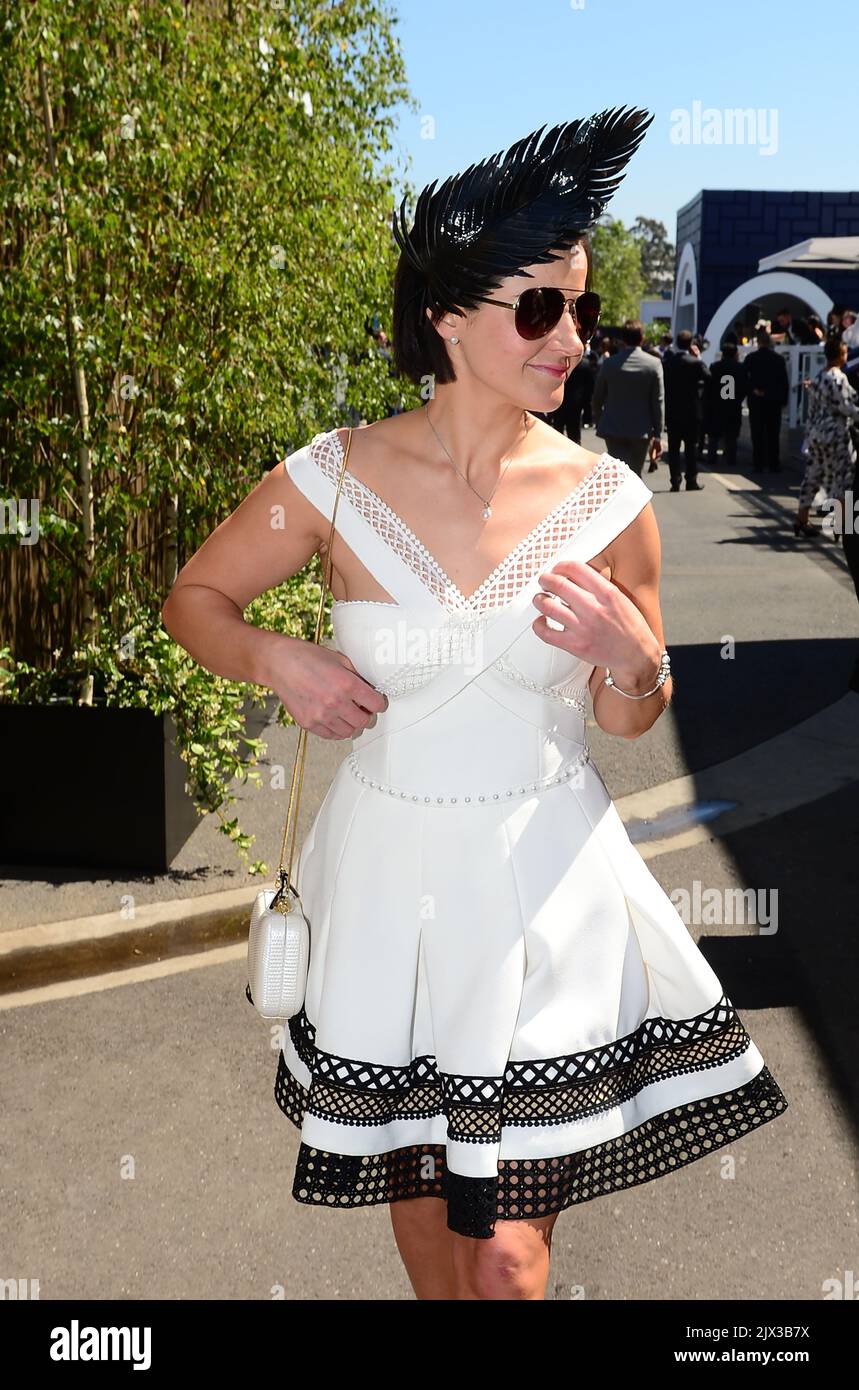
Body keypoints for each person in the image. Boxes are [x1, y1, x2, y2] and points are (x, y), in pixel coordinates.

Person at [161, 106, 788, 1302]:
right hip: (389, 879)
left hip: (544, 882)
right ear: (448, 316)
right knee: (426, 1229)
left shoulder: (606, 497)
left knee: (503, 1255)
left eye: (582, 309)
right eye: (539, 307)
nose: (569, 338)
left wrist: (631, 657)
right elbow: (197, 599)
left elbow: (626, 721)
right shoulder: (331, 478)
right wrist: (280, 660)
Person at [796, 335, 859, 543]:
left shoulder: (819, 376)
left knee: (813, 474)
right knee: (844, 478)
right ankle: (844, 526)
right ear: (840, 355)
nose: (846, 355)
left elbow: (813, 409)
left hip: (816, 434)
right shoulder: (838, 378)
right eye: (844, 352)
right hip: (835, 434)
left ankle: (802, 519)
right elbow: (846, 407)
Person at [590, 318, 664, 475]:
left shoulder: (609, 364)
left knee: (618, 477)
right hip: (641, 430)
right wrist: (658, 435)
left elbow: (597, 398)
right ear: (642, 338)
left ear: (622, 339)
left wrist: (599, 420)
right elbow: (657, 402)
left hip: (613, 428)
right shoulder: (653, 364)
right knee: (635, 477)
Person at [663, 328, 709, 490]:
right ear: (691, 344)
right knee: (691, 448)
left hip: (673, 412)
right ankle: (691, 480)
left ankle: (675, 481)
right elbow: (709, 378)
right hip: (691, 412)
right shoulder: (695, 363)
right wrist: (699, 358)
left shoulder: (668, 363)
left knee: (673, 449)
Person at [744, 328, 790, 471]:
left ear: (758, 343)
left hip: (756, 401)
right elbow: (784, 382)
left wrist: (753, 389)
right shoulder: (778, 359)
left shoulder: (750, 358)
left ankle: (758, 463)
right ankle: (773, 463)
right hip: (773, 400)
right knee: (773, 433)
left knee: (757, 433)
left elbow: (743, 377)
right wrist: (783, 400)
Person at [704, 340, 748, 467]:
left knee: (714, 435)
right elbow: (744, 386)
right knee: (732, 435)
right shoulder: (740, 367)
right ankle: (731, 459)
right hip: (733, 406)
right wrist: (738, 399)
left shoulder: (715, 366)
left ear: (722, 354)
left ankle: (711, 458)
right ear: (735, 354)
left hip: (717, 406)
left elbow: (709, 386)